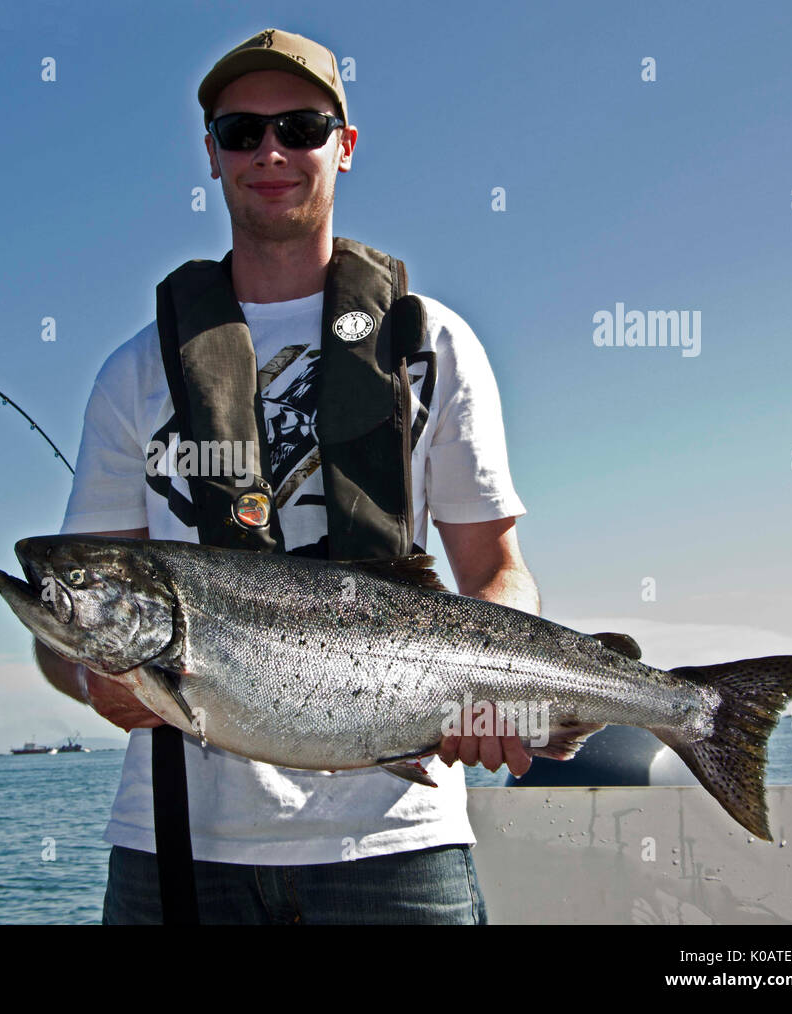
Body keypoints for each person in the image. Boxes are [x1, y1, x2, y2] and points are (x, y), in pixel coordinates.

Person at [34, 28, 540, 924]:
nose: (270, 151)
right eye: (241, 133)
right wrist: (90, 680)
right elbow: (66, 625)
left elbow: (495, 571)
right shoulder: (135, 372)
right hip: (177, 848)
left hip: (397, 843)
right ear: (212, 157)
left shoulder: (432, 345)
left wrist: (499, 692)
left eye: (301, 126)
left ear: (343, 147)